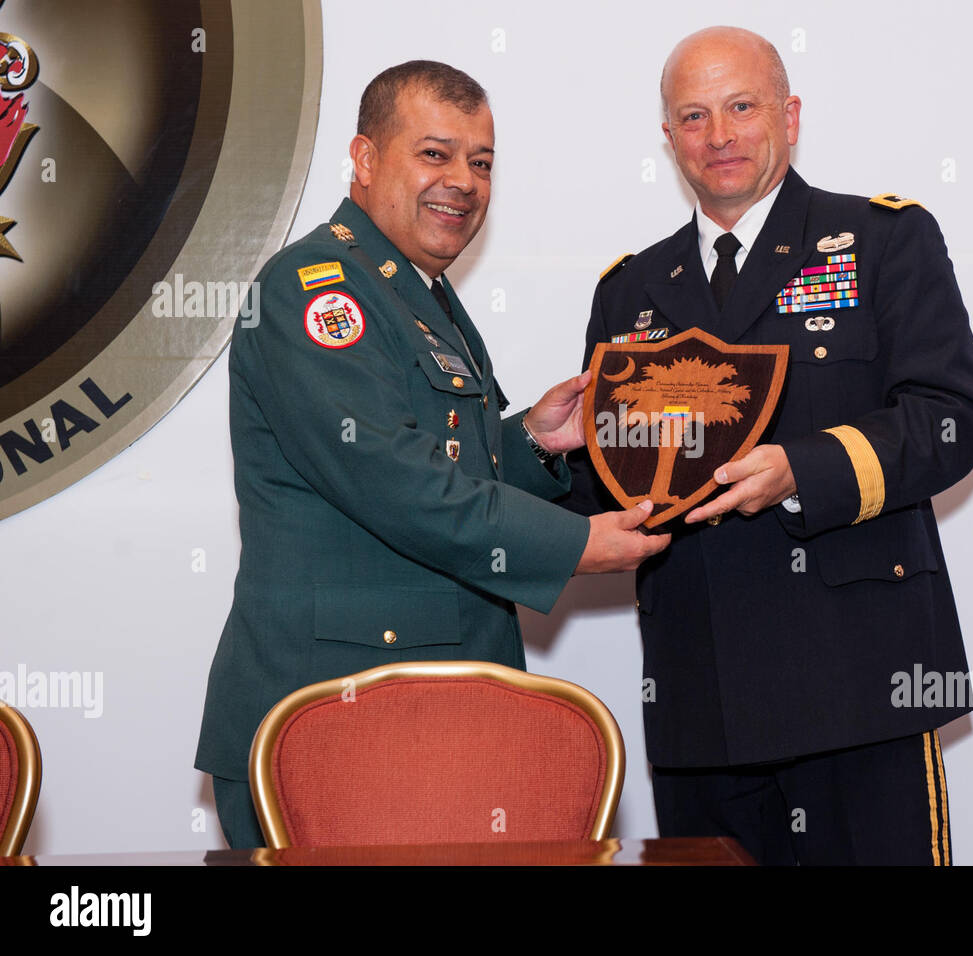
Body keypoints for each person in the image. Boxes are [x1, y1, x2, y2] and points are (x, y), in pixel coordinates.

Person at [195, 61, 667, 849]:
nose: (464, 181)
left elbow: (437, 458)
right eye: (435, 154)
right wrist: (577, 544)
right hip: (335, 722)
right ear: (366, 158)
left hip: (423, 716)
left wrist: (530, 441)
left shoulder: (413, 290)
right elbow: (391, 481)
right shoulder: (318, 291)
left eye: (481, 162)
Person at [564, 27, 973, 864]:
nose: (718, 135)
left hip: (858, 687)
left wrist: (805, 468)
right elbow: (609, 485)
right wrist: (553, 455)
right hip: (701, 697)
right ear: (667, 137)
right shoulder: (630, 290)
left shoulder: (880, 240)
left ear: (788, 116)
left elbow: (951, 419)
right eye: (692, 115)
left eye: (740, 107)